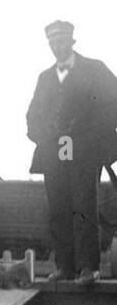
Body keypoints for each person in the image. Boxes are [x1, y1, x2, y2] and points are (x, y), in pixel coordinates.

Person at [25, 20, 117, 285]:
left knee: (83, 205)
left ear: (71, 41)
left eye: (62, 41)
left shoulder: (95, 70)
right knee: (59, 207)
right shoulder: (45, 78)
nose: (57, 46)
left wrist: (94, 139)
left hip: (84, 151)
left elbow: (112, 105)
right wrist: (43, 136)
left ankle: (89, 268)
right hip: (55, 153)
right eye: (53, 42)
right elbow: (32, 116)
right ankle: (64, 266)